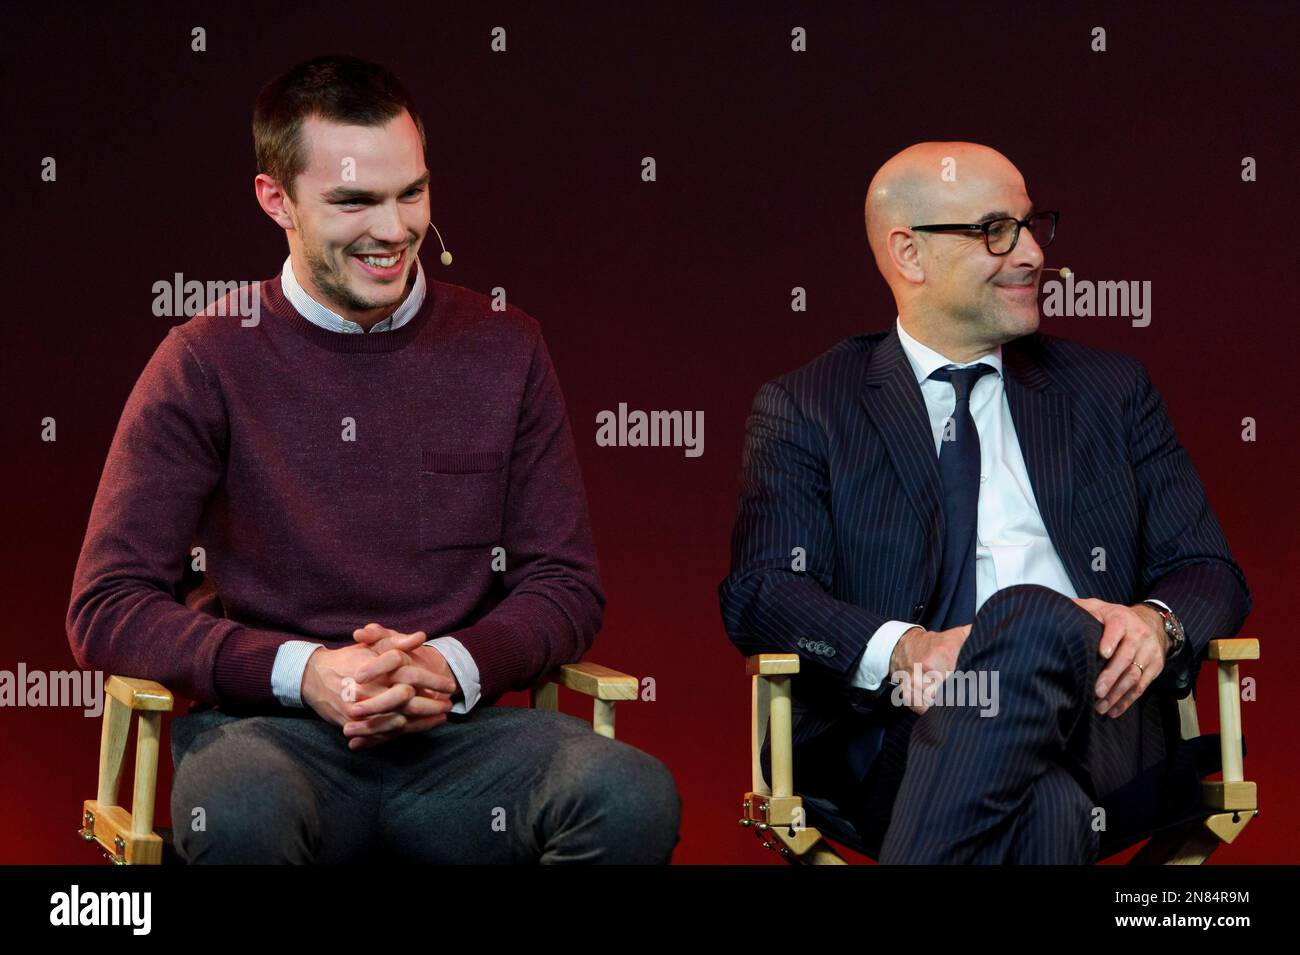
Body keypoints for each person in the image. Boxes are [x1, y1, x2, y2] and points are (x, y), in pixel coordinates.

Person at [67, 54, 680, 864]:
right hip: (274, 737)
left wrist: (445, 665)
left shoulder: (507, 347)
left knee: (633, 793)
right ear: (275, 199)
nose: (393, 231)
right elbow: (106, 604)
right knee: (241, 808)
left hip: (462, 745)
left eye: (411, 193)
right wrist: (307, 671)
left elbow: (563, 585)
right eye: (355, 201)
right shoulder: (205, 359)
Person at [718, 141, 1250, 863]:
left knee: (1029, 618)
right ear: (910, 255)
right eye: (996, 230)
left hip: (1106, 713)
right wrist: (905, 648)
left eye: (1034, 226)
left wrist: (1156, 625)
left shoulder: (1111, 391)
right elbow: (763, 591)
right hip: (899, 735)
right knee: (1047, 810)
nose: (1032, 253)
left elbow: (1207, 568)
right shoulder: (809, 405)